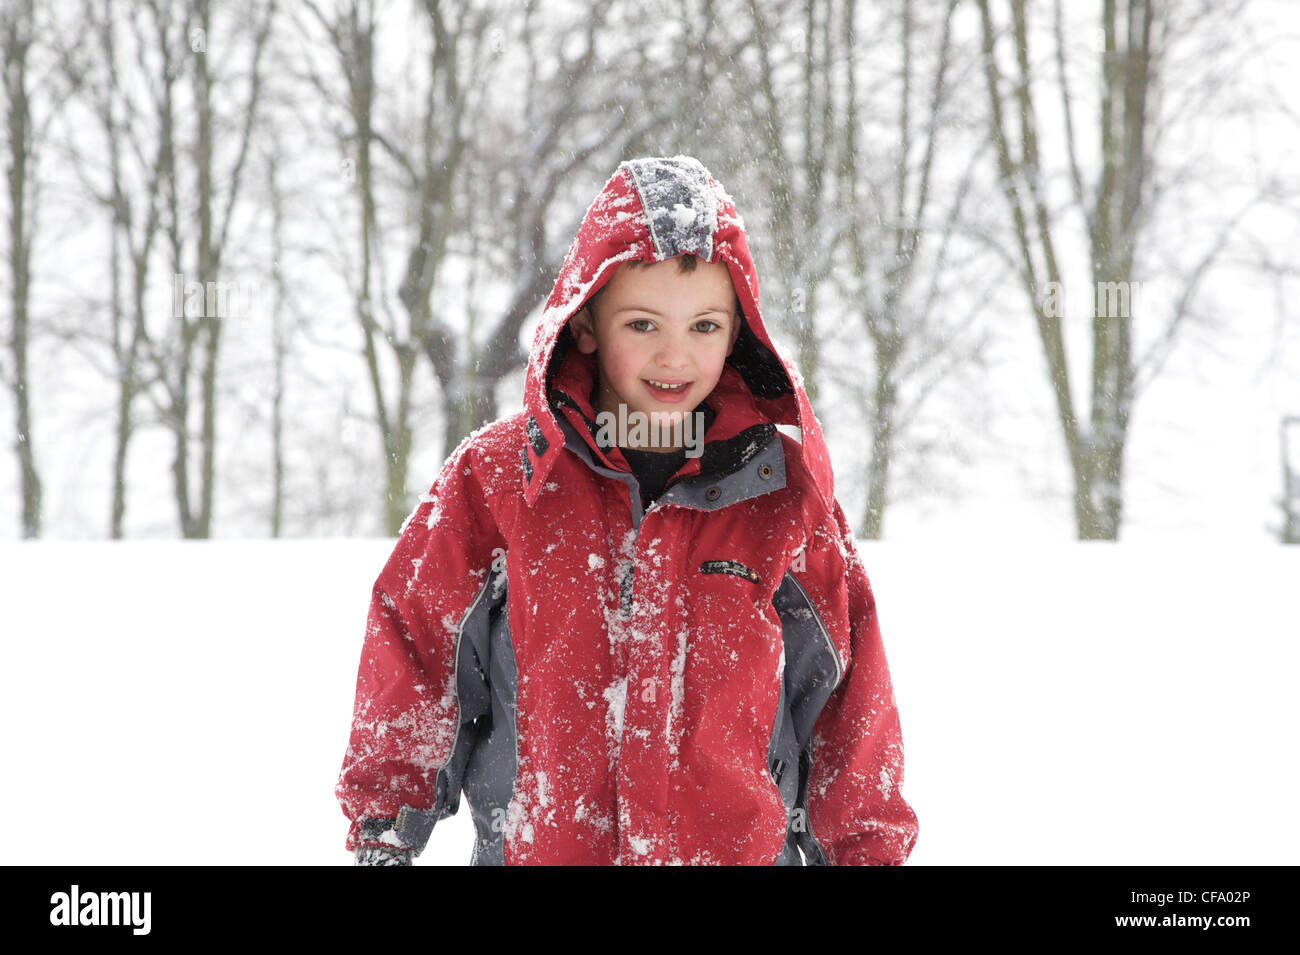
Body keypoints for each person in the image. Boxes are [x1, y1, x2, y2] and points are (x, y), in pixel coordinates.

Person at [336, 155, 918, 865]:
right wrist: (383, 829)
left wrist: (866, 852)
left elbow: (848, 710)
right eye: (643, 324)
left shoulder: (782, 499)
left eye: (705, 325)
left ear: (738, 332)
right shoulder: (499, 483)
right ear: (584, 323)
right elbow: (416, 647)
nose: (675, 354)